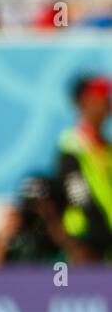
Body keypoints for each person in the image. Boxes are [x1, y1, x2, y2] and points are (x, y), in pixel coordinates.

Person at [56, 74, 112, 260]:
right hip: (86, 242)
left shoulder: (106, 148)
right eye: (99, 94)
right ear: (83, 101)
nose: (106, 100)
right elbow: (77, 192)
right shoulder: (72, 146)